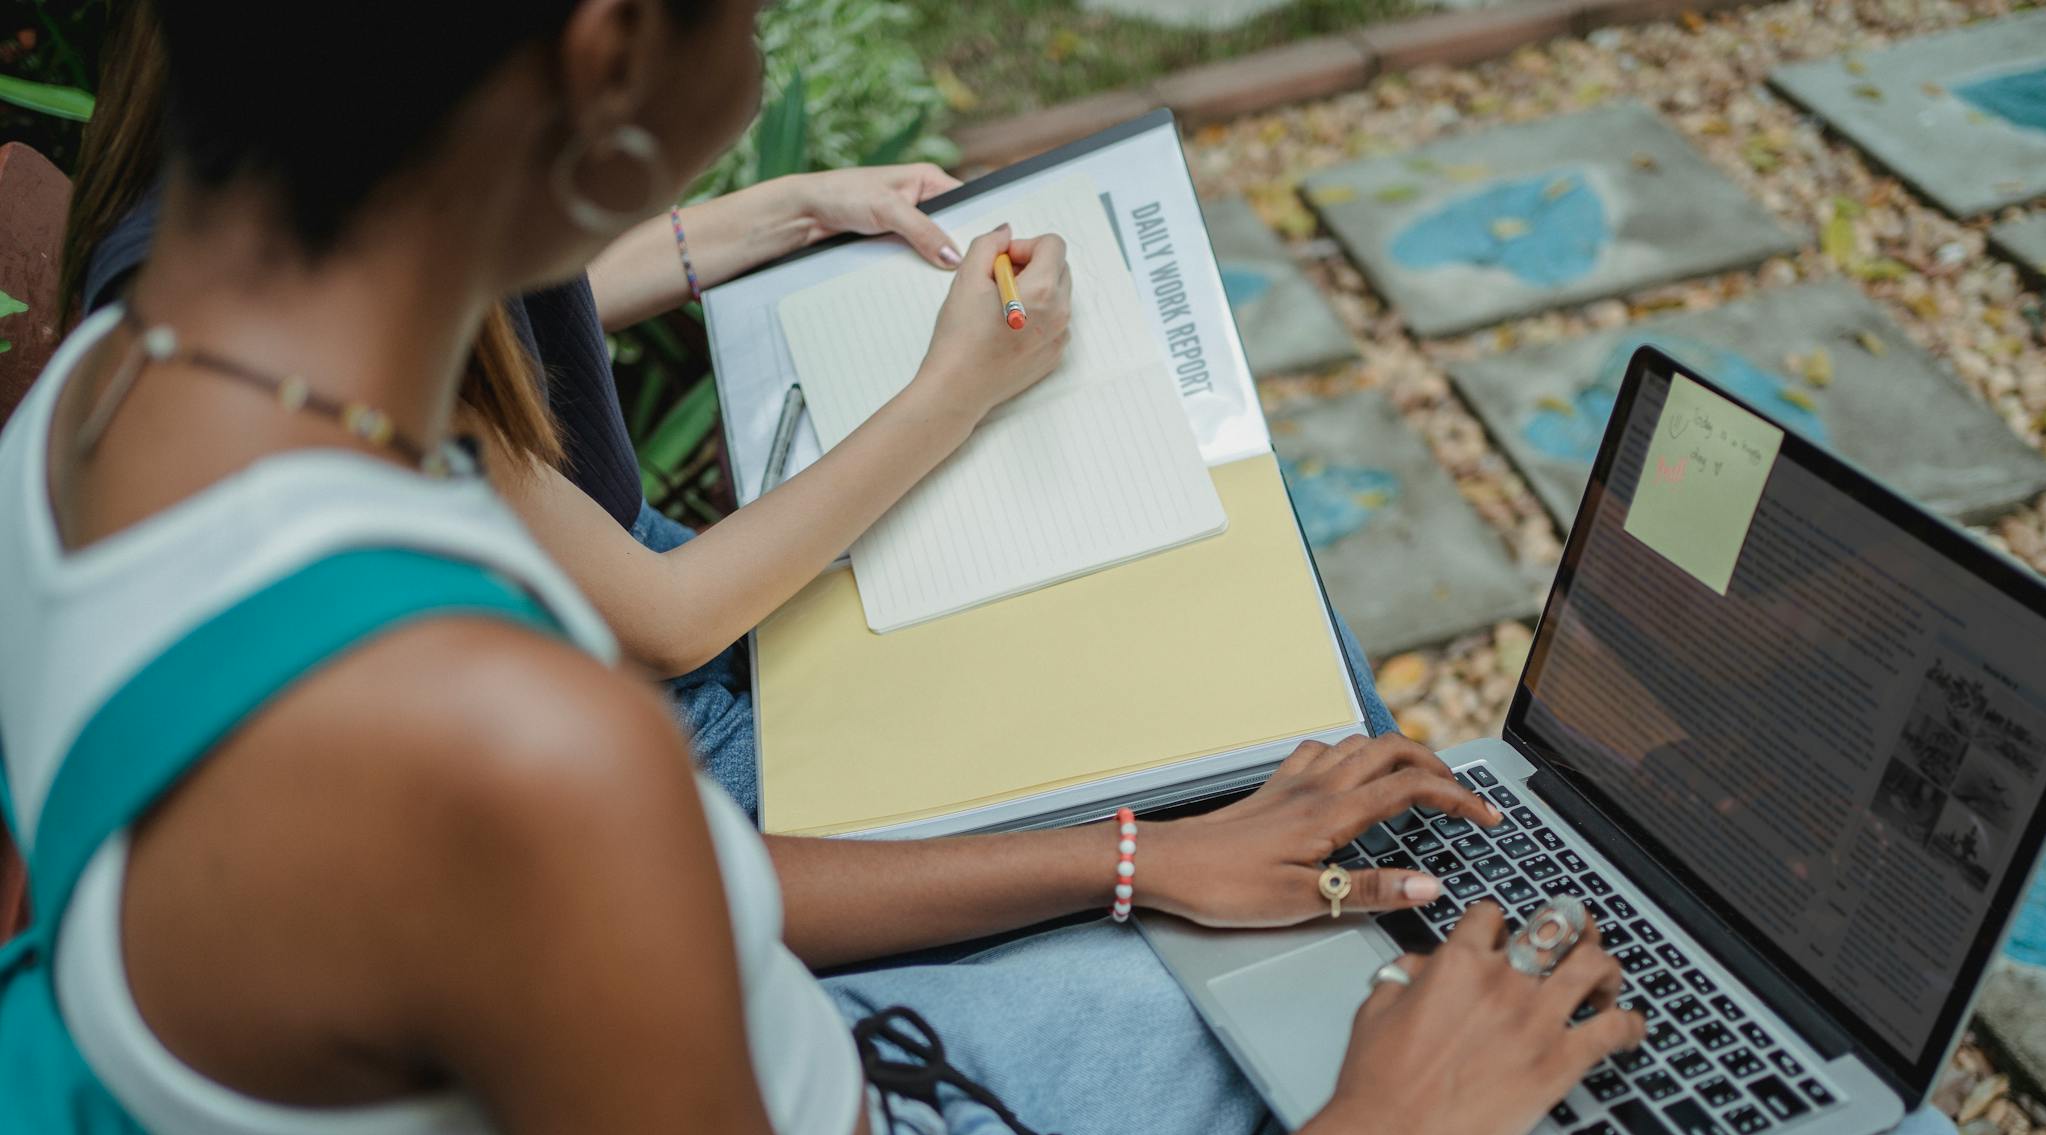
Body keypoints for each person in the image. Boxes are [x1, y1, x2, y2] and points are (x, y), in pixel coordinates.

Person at [0, 4, 2026, 1135]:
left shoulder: (116, 400)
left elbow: (691, 903)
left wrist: (1142, 858)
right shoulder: (507, 753)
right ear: (610, 51)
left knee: (1415, 953)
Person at [59, 3, 1397, 819]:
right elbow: (669, 623)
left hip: (643, 657)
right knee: (1256, 646)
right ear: (609, 47)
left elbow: (529, 290)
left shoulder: (291, 193)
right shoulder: (328, 365)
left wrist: (788, 212)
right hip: (681, 725)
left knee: (1236, 583)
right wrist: (955, 390)